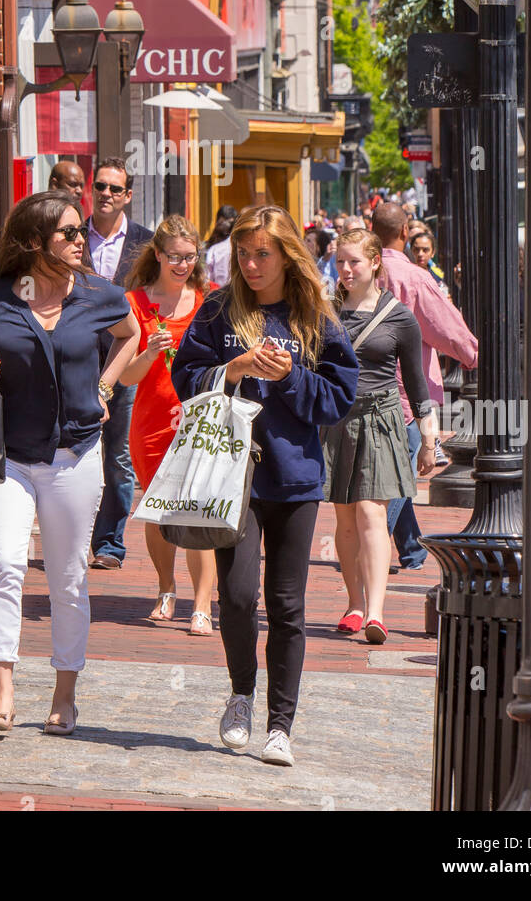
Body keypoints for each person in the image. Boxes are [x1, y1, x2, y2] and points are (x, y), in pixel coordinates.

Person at [172, 205, 358, 768]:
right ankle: (241, 693)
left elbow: (338, 398)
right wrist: (233, 370)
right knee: (236, 595)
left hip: (294, 476)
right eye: (243, 254)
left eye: (262, 255)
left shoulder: (314, 314)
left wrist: (291, 376)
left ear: (286, 256)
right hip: (231, 477)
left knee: (286, 605)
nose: (250, 265)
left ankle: (281, 725)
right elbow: (184, 377)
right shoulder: (219, 310)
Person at [0, 191, 141, 736]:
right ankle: (3, 691)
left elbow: (129, 336)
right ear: (35, 242)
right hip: (9, 455)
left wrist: (106, 384)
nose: (80, 239)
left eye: (79, 231)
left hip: (76, 455)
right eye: (68, 233)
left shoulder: (99, 294)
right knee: (7, 563)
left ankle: (65, 694)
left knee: (67, 577)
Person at [322, 230, 437, 643]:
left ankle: (375, 612)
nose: (346, 270)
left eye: (354, 262)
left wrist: (428, 439)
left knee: (372, 513)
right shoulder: (326, 312)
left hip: (382, 418)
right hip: (337, 420)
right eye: (340, 263)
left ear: (375, 263)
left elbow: (416, 382)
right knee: (345, 517)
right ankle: (353, 603)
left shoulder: (399, 316)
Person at [119, 216, 213, 632]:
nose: (181, 265)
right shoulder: (135, 302)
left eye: (189, 257)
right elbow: (126, 377)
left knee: (198, 513)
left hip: (197, 422)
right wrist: (150, 351)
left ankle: (203, 605)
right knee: (158, 511)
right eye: (173, 256)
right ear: (157, 254)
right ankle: (166, 587)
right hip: (151, 422)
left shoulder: (209, 302)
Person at [371, 202, 479, 562]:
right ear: (405, 233)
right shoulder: (415, 278)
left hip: (369, 387)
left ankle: (411, 549)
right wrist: (474, 355)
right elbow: (446, 329)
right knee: (403, 475)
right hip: (409, 391)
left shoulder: (361, 271)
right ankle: (371, 547)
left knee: (391, 470)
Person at [85, 157, 153, 570]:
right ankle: (78, 535)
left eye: (115, 188)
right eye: (100, 186)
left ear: (128, 195)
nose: (106, 194)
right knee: (77, 449)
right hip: (76, 358)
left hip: (125, 359)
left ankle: (109, 543)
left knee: (118, 454)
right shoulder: (73, 237)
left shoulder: (145, 243)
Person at [408, 226, 448, 294]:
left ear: (433, 253)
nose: (420, 254)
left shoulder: (437, 274)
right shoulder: (406, 275)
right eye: (416, 250)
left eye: (425, 250)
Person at [205, 204, 237, 287]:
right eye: (222, 223)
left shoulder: (239, 246)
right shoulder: (211, 247)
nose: (225, 227)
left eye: (229, 223)